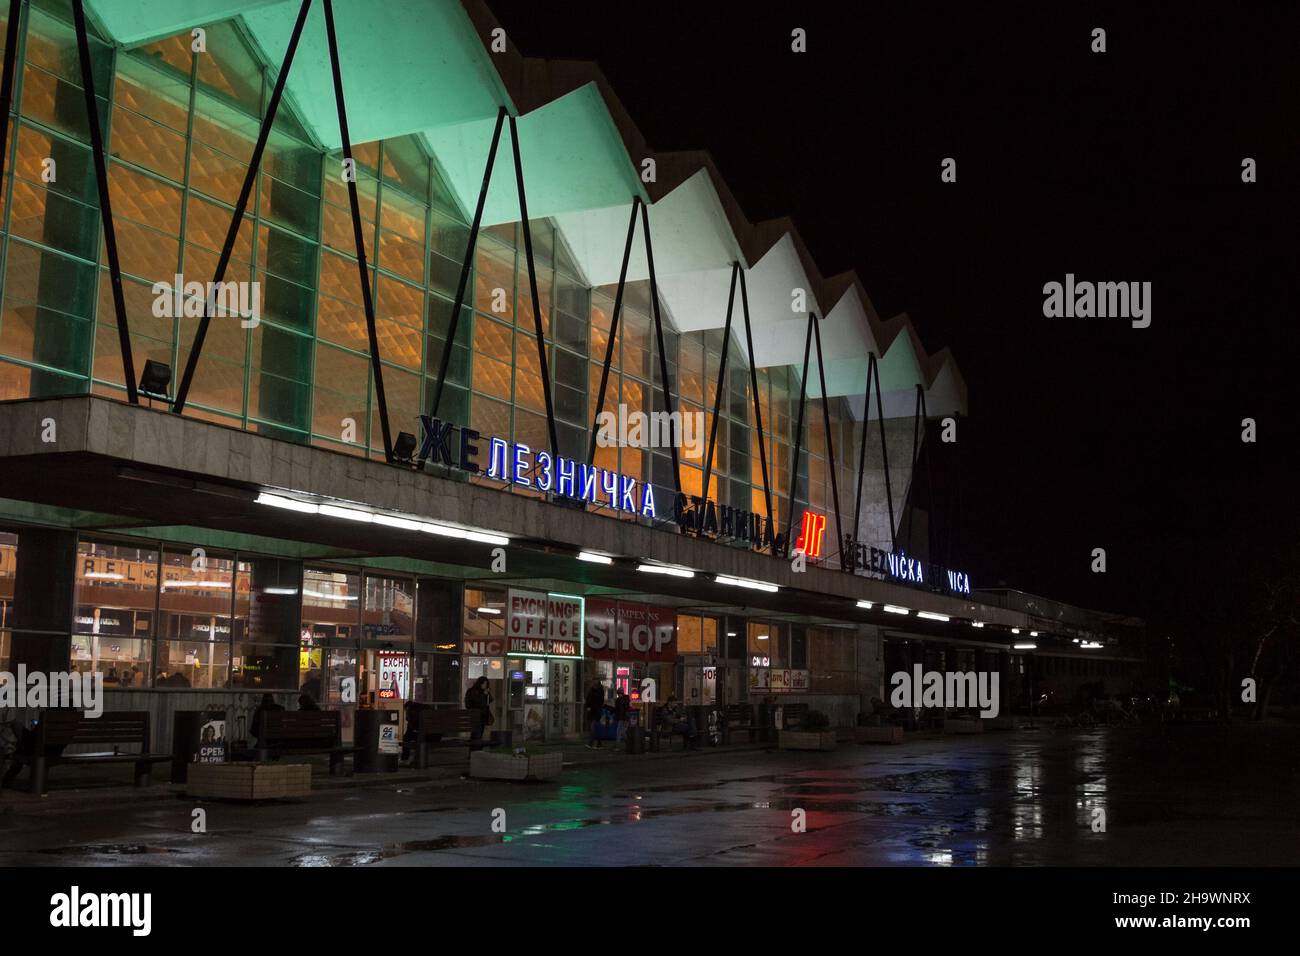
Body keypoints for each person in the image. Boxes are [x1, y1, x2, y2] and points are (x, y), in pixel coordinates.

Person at [464, 676, 493, 743]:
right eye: (484, 684)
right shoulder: (473, 691)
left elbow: (489, 701)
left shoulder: (483, 692)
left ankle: (475, 747)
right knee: (477, 733)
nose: (485, 685)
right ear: (480, 683)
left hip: (481, 716)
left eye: (486, 684)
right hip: (475, 715)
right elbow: (478, 703)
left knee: (478, 732)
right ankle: (476, 747)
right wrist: (484, 694)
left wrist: (487, 694)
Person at [584, 681, 606, 749]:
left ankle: (591, 743)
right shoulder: (595, 691)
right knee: (595, 728)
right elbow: (589, 700)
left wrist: (589, 706)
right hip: (594, 712)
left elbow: (595, 702)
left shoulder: (598, 692)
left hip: (595, 712)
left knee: (594, 727)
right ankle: (598, 743)